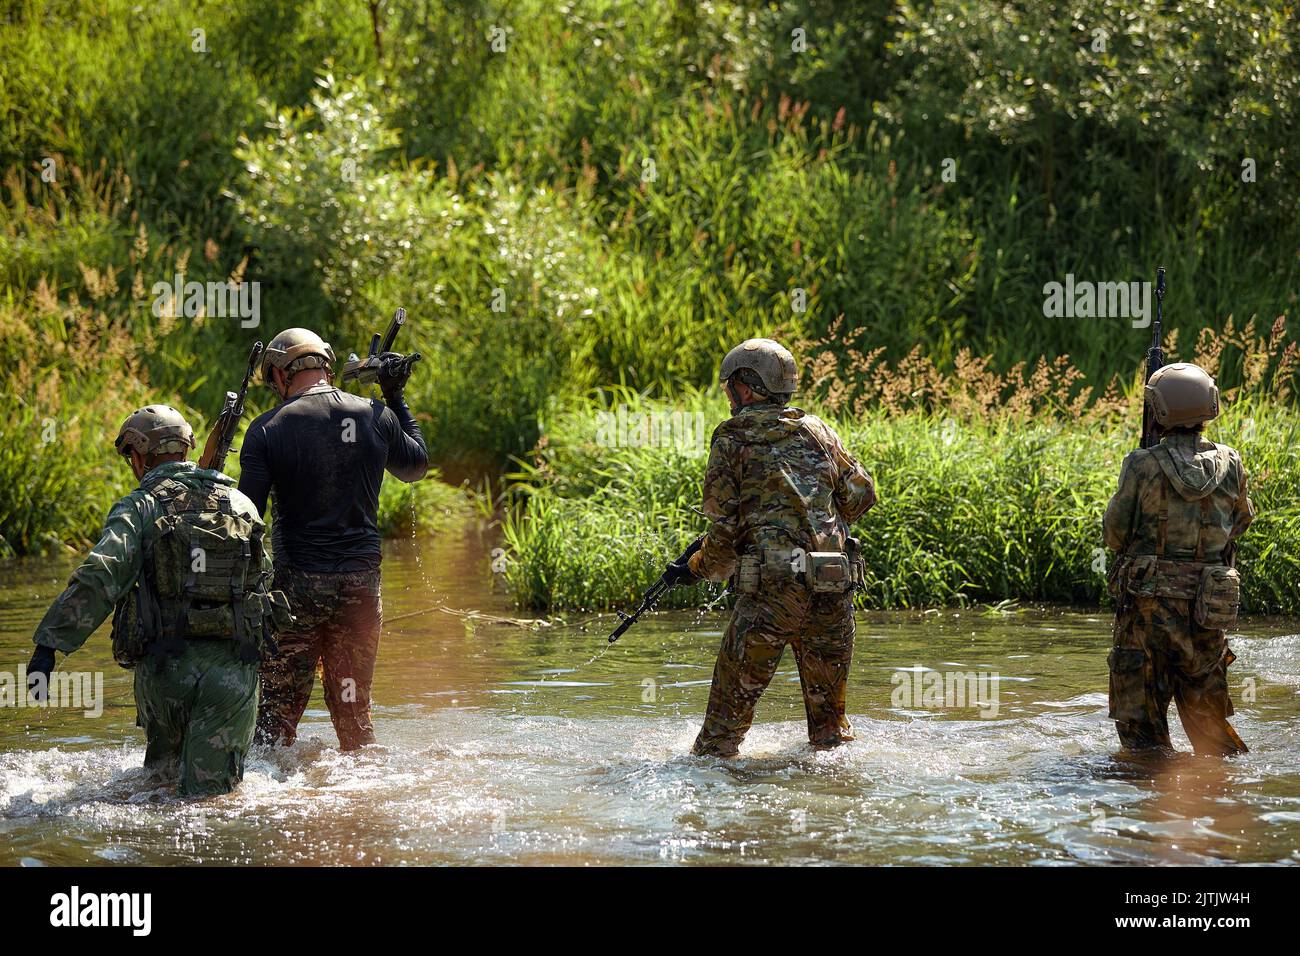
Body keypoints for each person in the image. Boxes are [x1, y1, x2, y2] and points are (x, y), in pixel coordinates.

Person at [26, 405, 284, 797]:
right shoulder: (241, 504)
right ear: (185, 448)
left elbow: (101, 576)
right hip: (232, 675)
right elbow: (263, 583)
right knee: (213, 800)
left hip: (166, 671)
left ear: (139, 455)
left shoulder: (139, 507)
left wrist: (50, 646)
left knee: (159, 791)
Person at [664, 338, 877, 757]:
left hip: (770, 596)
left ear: (746, 387)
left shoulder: (731, 438)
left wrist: (694, 568)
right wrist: (816, 520)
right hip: (832, 588)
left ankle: (721, 809)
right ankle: (833, 804)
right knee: (830, 740)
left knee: (716, 745)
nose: (727, 396)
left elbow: (724, 541)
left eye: (728, 387)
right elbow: (862, 494)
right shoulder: (818, 430)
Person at [239, 327, 428, 750]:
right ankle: (361, 799)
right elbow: (415, 466)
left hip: (296, 590)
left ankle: (261, 806)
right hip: (361, 588)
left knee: (274, 721)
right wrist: (394, 396)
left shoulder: (267, 429)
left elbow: (247, 519)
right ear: (326, 364)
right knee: (354, 713)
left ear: (278, 374)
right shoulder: (375, 415)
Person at [1103, 362, 1253, 756]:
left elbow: (1114, 535)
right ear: (1210, 405)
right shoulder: (1231, 463)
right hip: (1208, 613)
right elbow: (1240, 523)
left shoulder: (1141, 464)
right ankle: (1217, 802)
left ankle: (1151, 809)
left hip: (1147, 616)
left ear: (1158, 411)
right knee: (1214, 740)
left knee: (1142, 744)